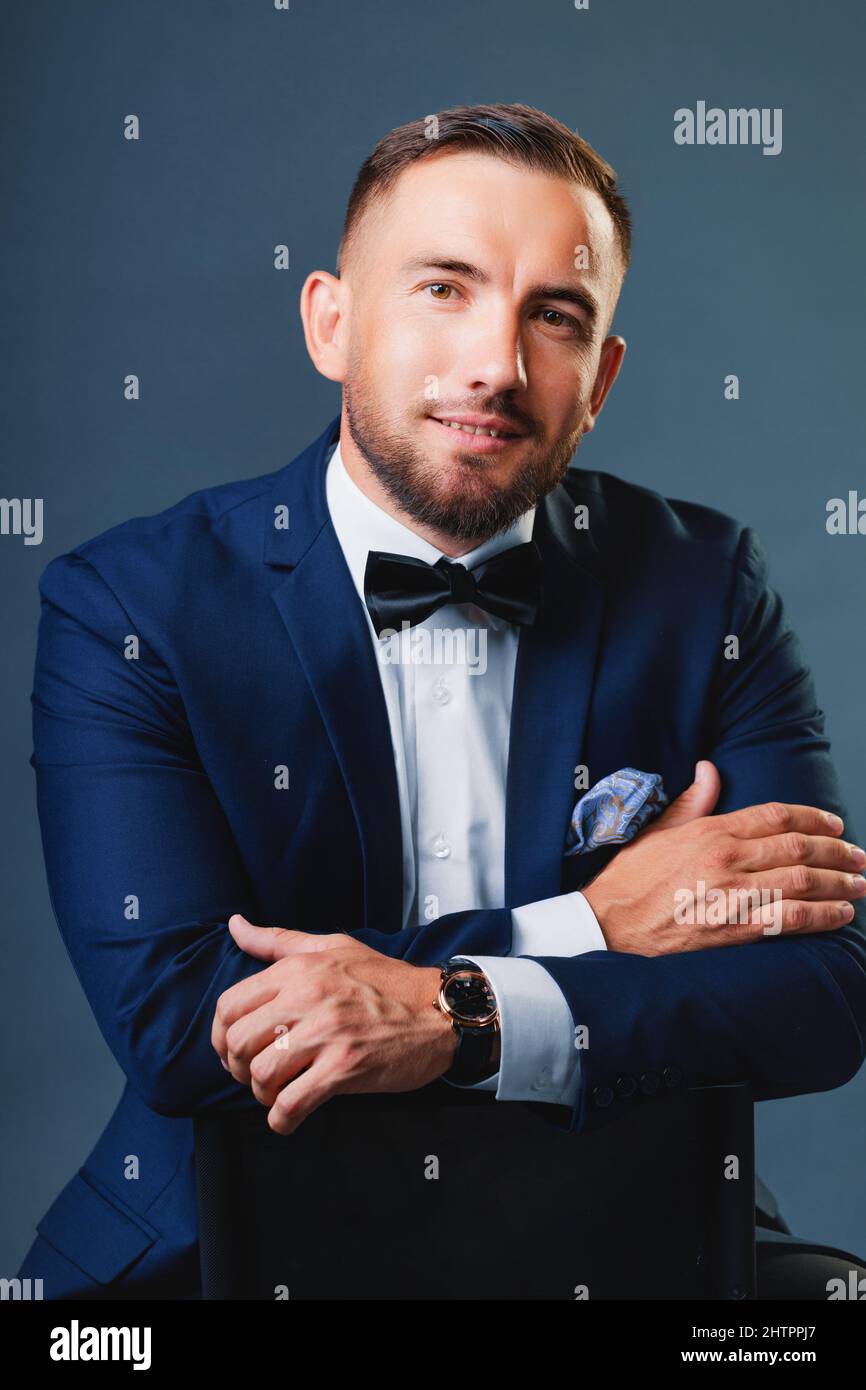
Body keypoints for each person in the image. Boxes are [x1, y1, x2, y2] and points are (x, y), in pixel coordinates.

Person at [18, 103, 866, 1300]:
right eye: (443, 289)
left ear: (602, 378)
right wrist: (596, 923)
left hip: (627, 1237)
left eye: (553, 315)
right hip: (222, 1241)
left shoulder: (703, 582)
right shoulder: (129, 604)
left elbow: (822, 997)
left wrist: (445, 1012)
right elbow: (179, 1022)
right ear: (331, 320)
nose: (495, 365)